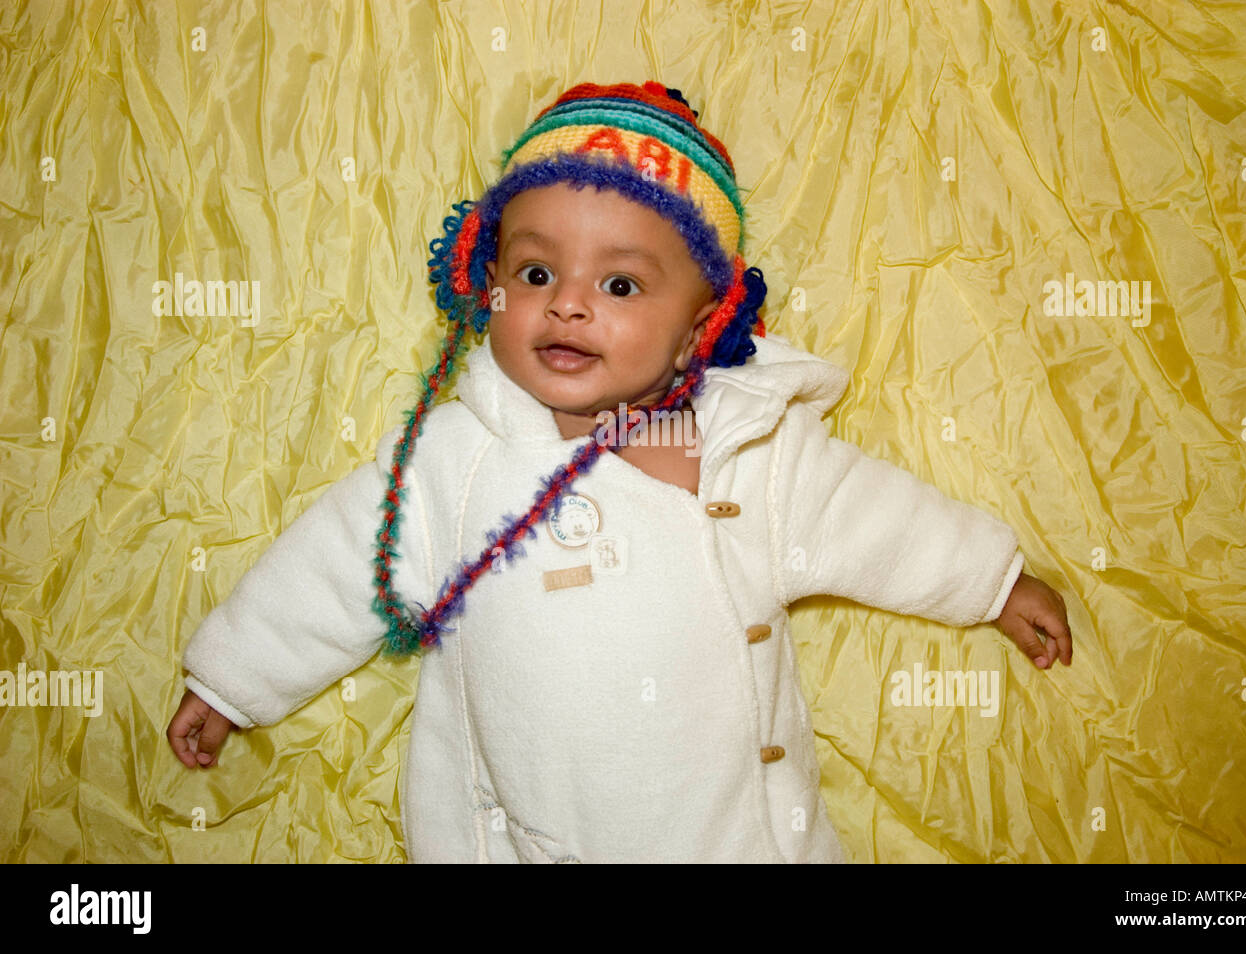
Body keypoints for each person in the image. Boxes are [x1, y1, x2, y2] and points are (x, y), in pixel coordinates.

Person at [168, 80, 1072, 863]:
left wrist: (991, 580)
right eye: (534, 271)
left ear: (701, 323)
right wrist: (233, 681)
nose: (567, 303)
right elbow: (333, 568)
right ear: (486, 282)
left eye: (622, 286)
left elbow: (877, 520)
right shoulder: (457, 457)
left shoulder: (747, 452)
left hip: (738, 838)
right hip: (528, 833)